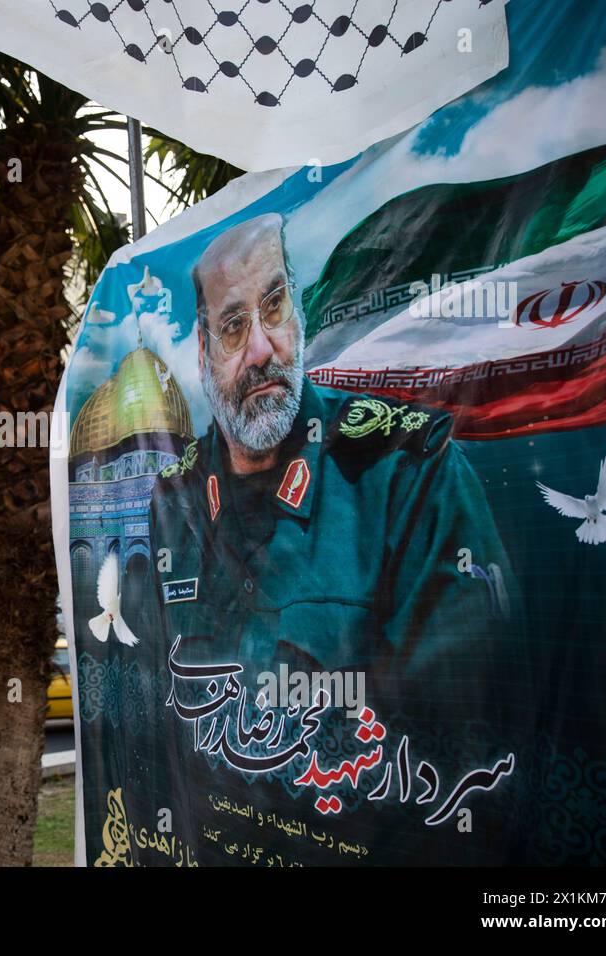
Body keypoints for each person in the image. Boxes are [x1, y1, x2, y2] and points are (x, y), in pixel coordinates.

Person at [113, 213, 530, 865]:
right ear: (203, 350)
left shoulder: (407, 474)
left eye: (275, 307)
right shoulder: (176, 499)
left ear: (299, 314)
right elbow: (156, 736)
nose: (262, 349)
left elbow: (474, 764)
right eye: (232, 326)